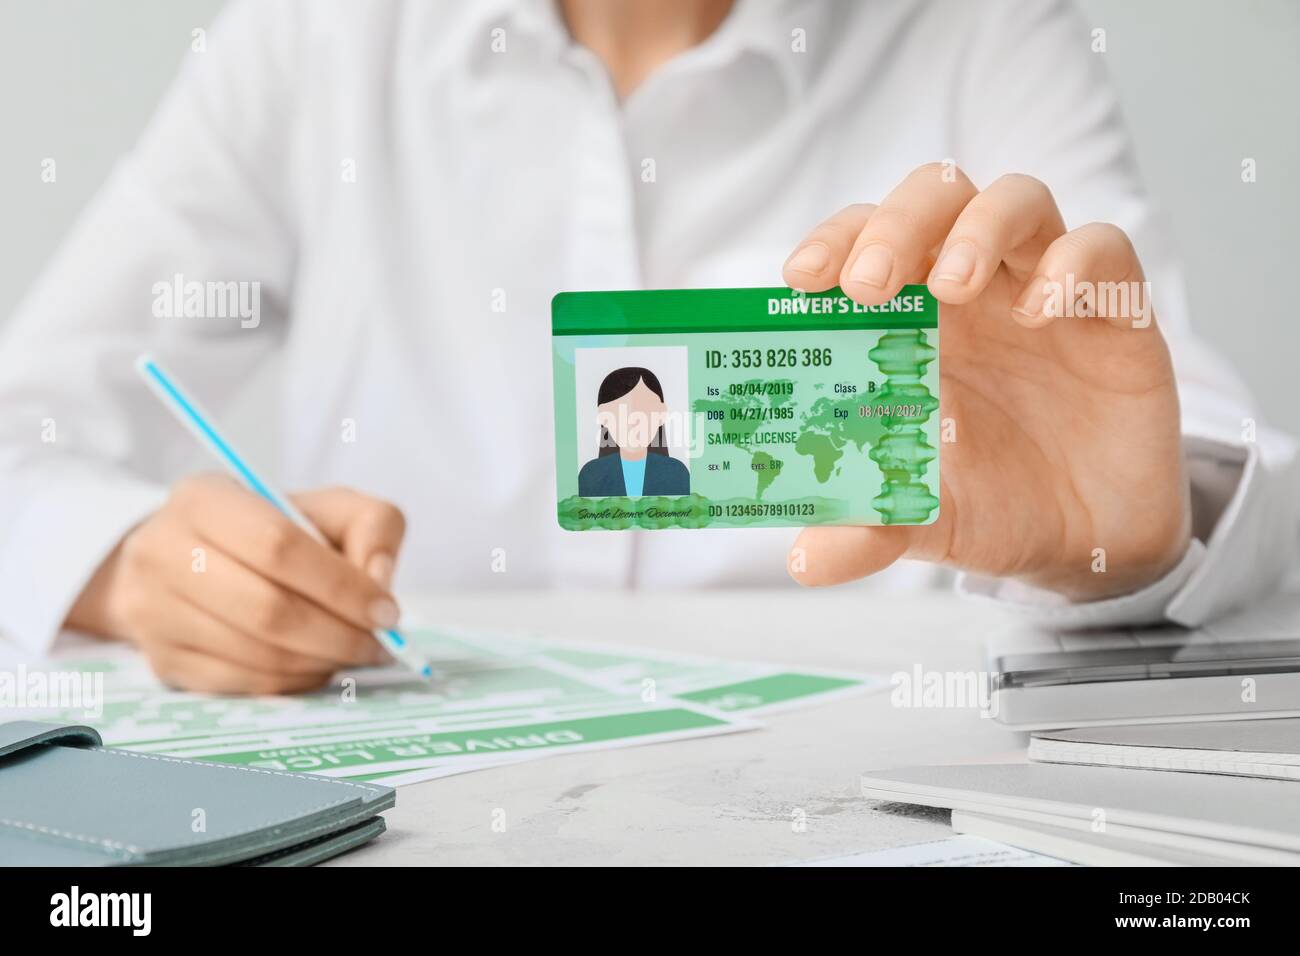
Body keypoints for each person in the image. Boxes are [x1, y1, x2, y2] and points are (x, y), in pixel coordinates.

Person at [0, 0, 1294, 694]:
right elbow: (25, 433)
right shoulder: (311, 38)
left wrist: (1125, 530)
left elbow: (1191, 456)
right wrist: (123, 567)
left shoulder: (982, 30)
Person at [578, 366, 690, 497]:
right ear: (604, 417)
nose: (634, 421)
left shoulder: (677, 473)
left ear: (661, 414)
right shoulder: (591, 474)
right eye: (621, 411)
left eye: (644, 409)